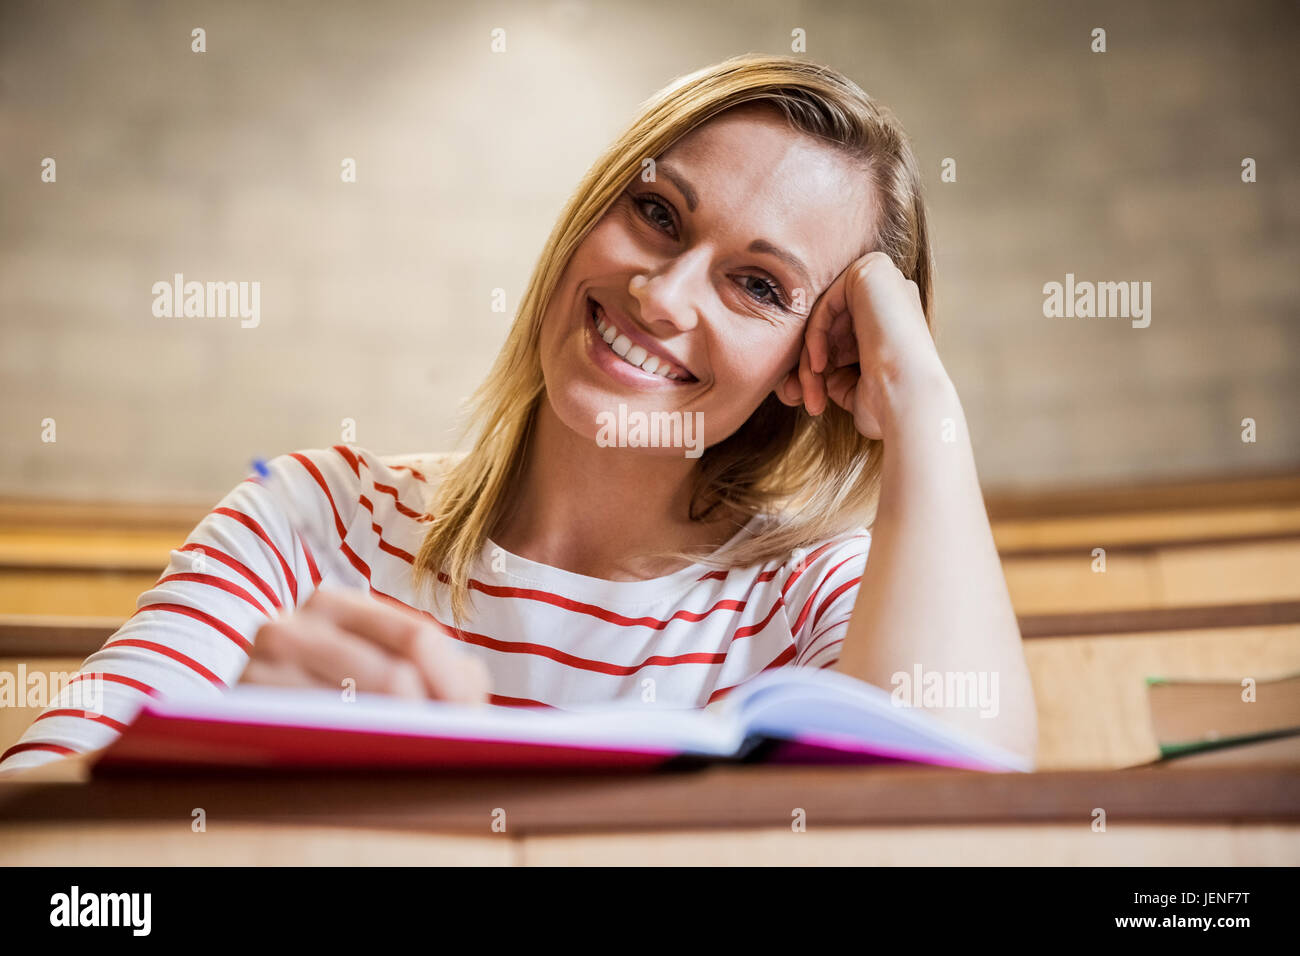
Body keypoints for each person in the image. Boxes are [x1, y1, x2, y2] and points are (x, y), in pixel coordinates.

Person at [0, 53, 1037, 773]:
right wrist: (226, 753)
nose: (663, 296)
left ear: (809, 359)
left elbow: (955, 835)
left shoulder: (814, 595)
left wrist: (926, 408)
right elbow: (50, 843)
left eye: (759, 287)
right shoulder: (310, 514)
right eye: (656, 212)